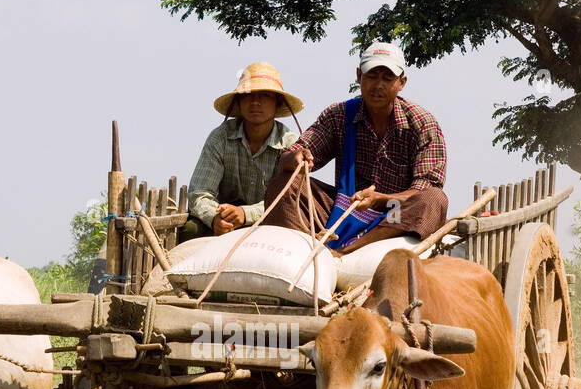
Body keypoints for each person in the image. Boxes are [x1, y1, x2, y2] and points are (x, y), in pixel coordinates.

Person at [264, 42, 448, 254]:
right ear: (359, 76)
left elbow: (425, 187)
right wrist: (295, 157)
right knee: (283, 184)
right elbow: (293, 154)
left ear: (401, 83)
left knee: (434, 199)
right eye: (371, 76)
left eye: (387, 78)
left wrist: (380, 199)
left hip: (394, 215)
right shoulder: (339, 115)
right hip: (342, 214)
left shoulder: (421, 123)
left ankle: (344, 253)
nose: (378, 85)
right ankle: (306, 251)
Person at [185, 62, 303, 240]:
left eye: (265, 95)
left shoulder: (290, 144)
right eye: (247, 95)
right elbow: (199, 192)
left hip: (269, 220)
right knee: (190, 230)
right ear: (239, 102)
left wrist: (245, 214)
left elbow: (286, 200)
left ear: (277, 102)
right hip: (226, 218)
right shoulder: (221, 137)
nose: (255, 102)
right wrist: (215, 218)